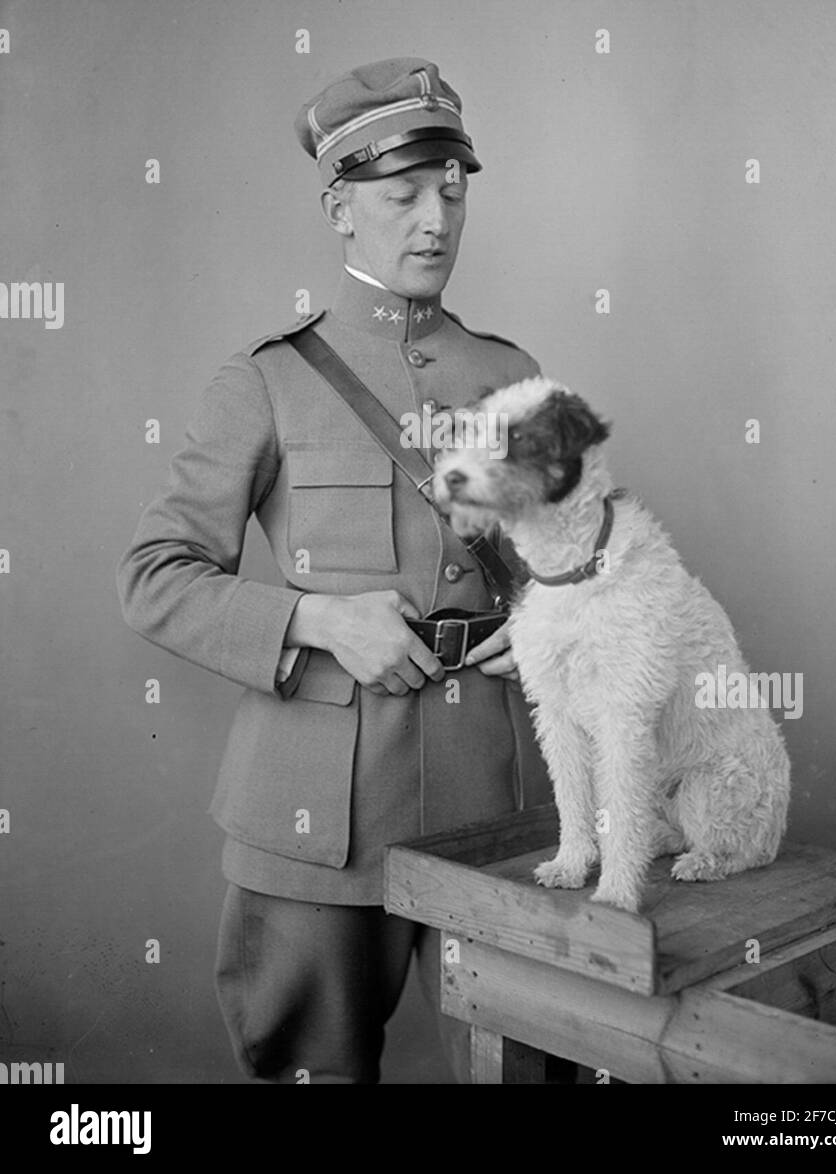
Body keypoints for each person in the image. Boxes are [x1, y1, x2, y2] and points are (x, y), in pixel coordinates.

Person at [116, 56, 552, 1084]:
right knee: (308, 1069)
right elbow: (152, 575)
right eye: (401, 196)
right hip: (319, 817)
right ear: (339, 207)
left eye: (450, 194)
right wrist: (315, 622)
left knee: (530, 1066)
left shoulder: (511, 376)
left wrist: (541, 621)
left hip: (499, 805)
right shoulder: (267, 380)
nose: (432, 221)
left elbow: (567, 569)